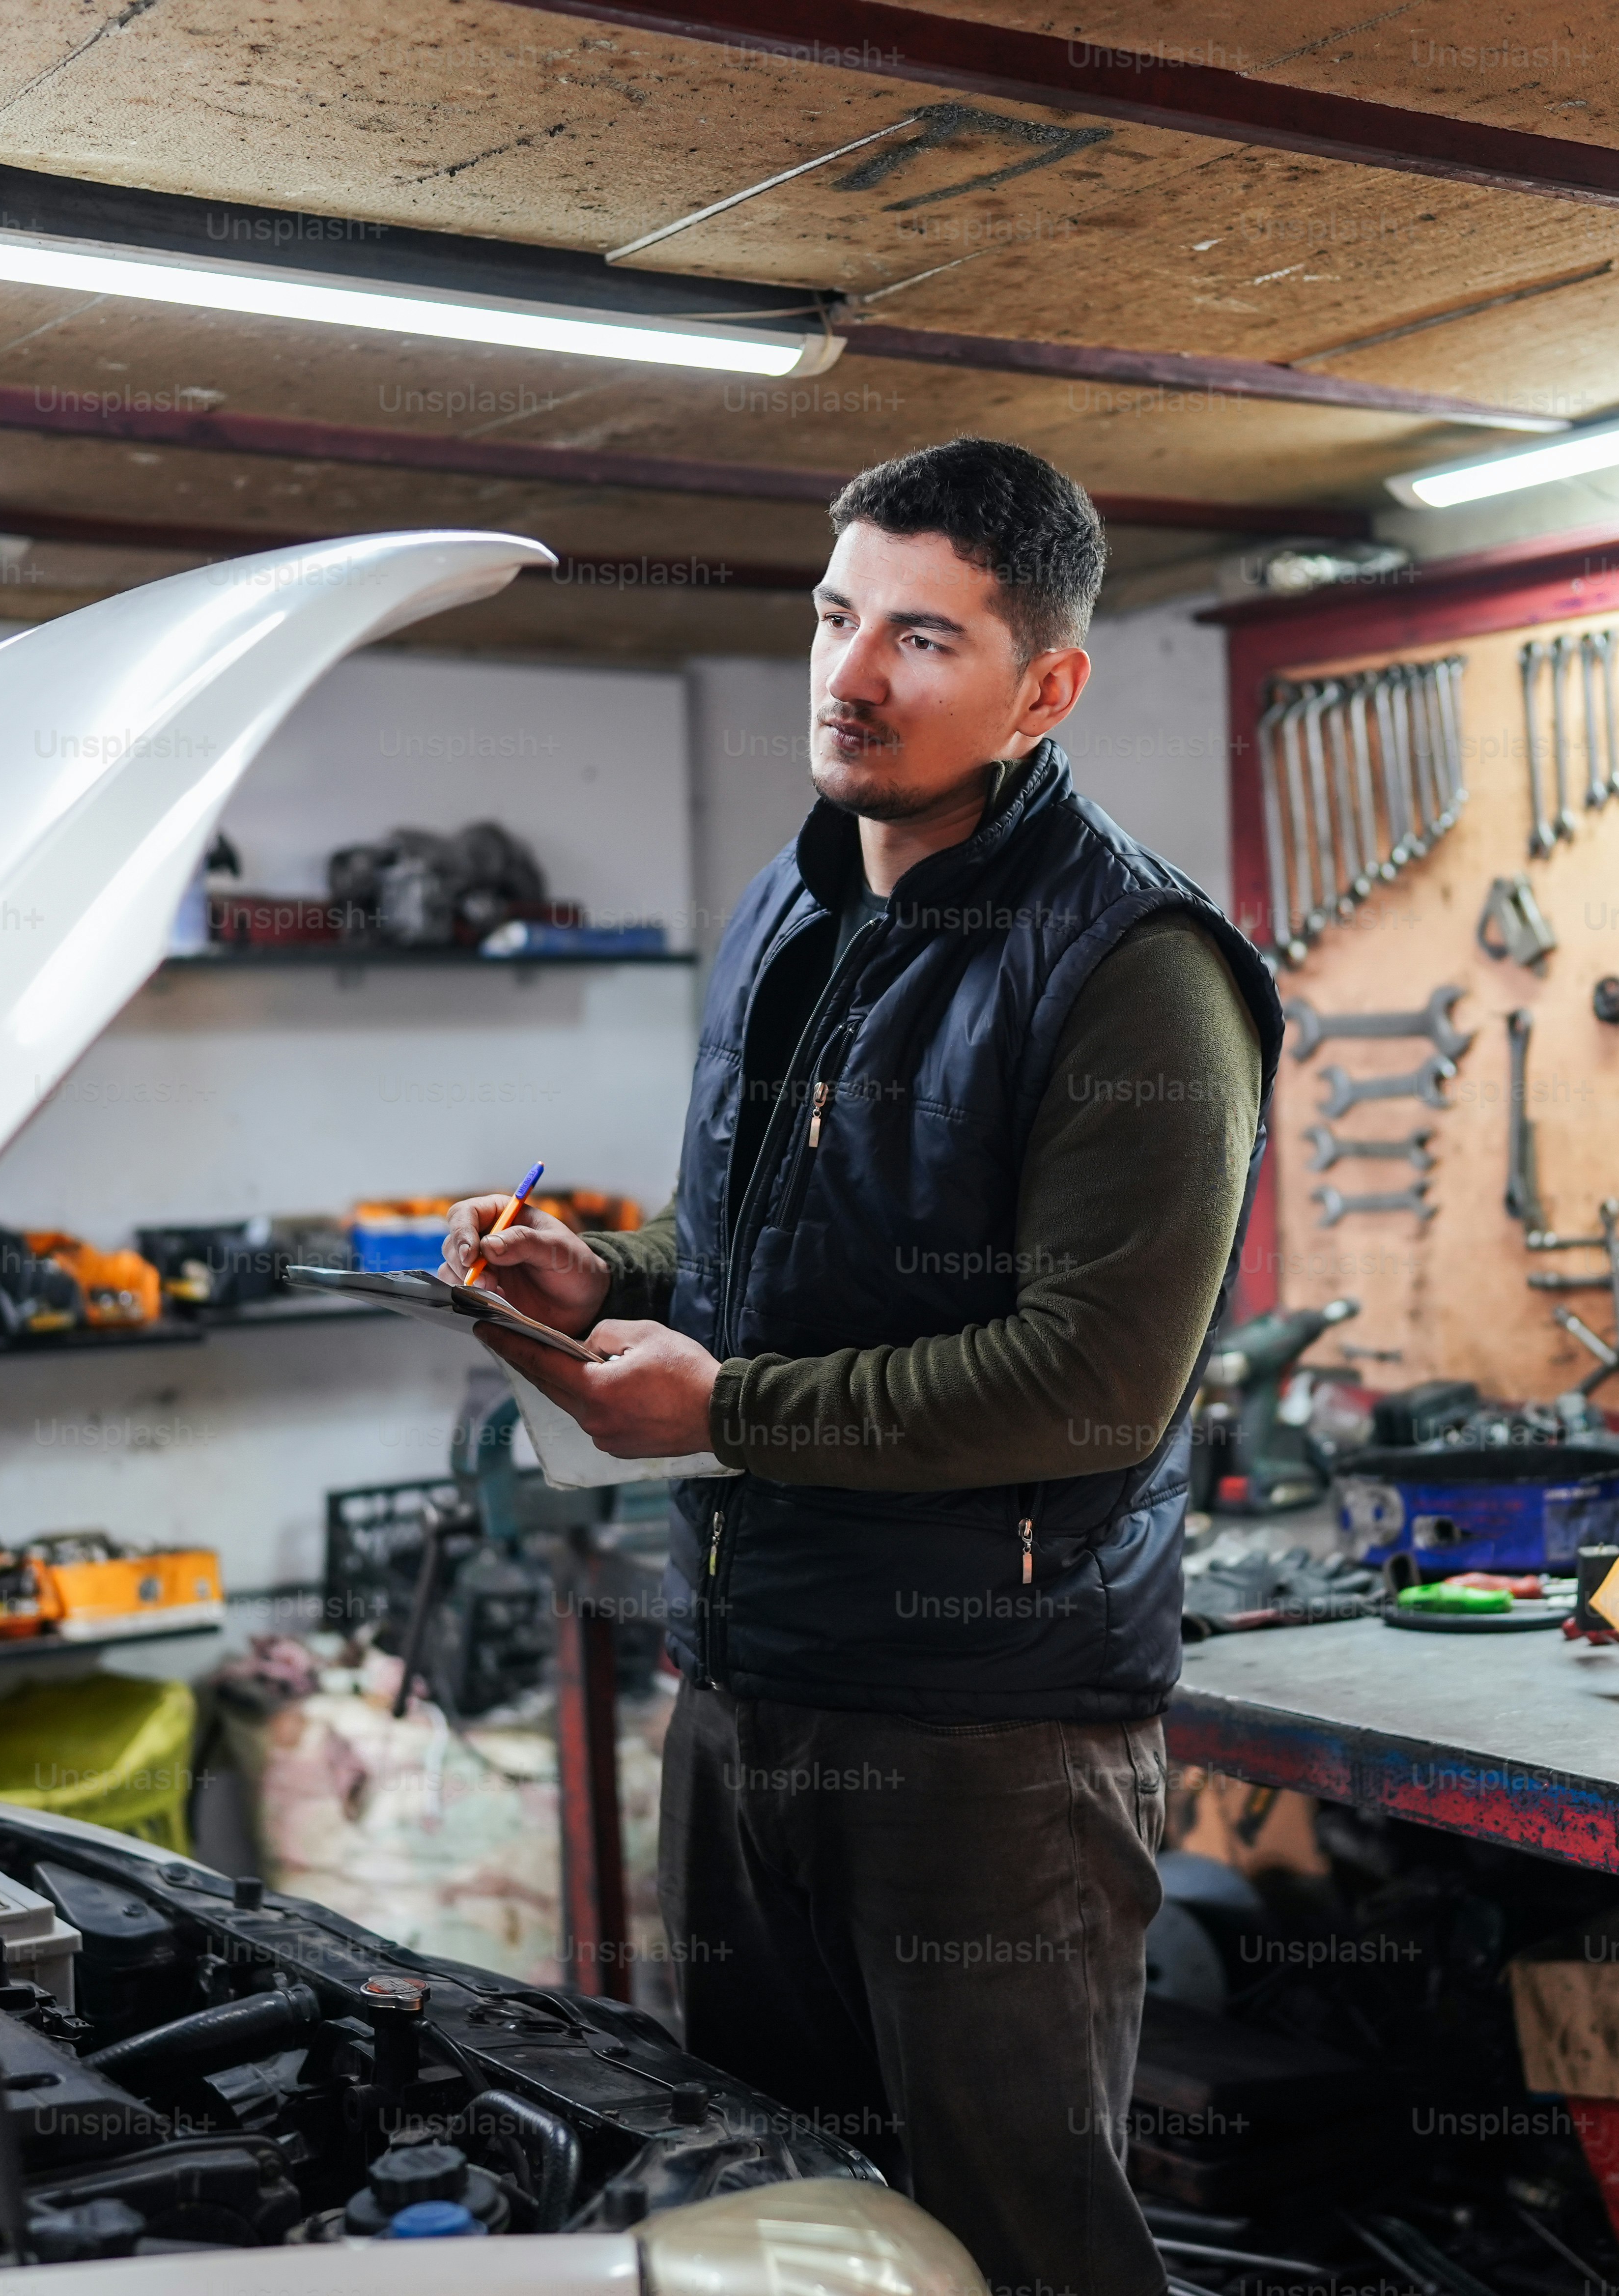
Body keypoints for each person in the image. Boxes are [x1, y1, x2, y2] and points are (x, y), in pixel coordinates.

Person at [447, 435, 1279, 2295]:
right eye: (837, 616)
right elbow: (744, 1253)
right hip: (751, 1690)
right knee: (771, 2236)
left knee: (1018, 2245)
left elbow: (1091, 1383)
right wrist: (607, 1275)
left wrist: (727, 1410)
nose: (850, 674)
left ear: (1044, 689)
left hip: (986, 1737)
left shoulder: (1136, 968)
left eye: (922, 637)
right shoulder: (789, 910)